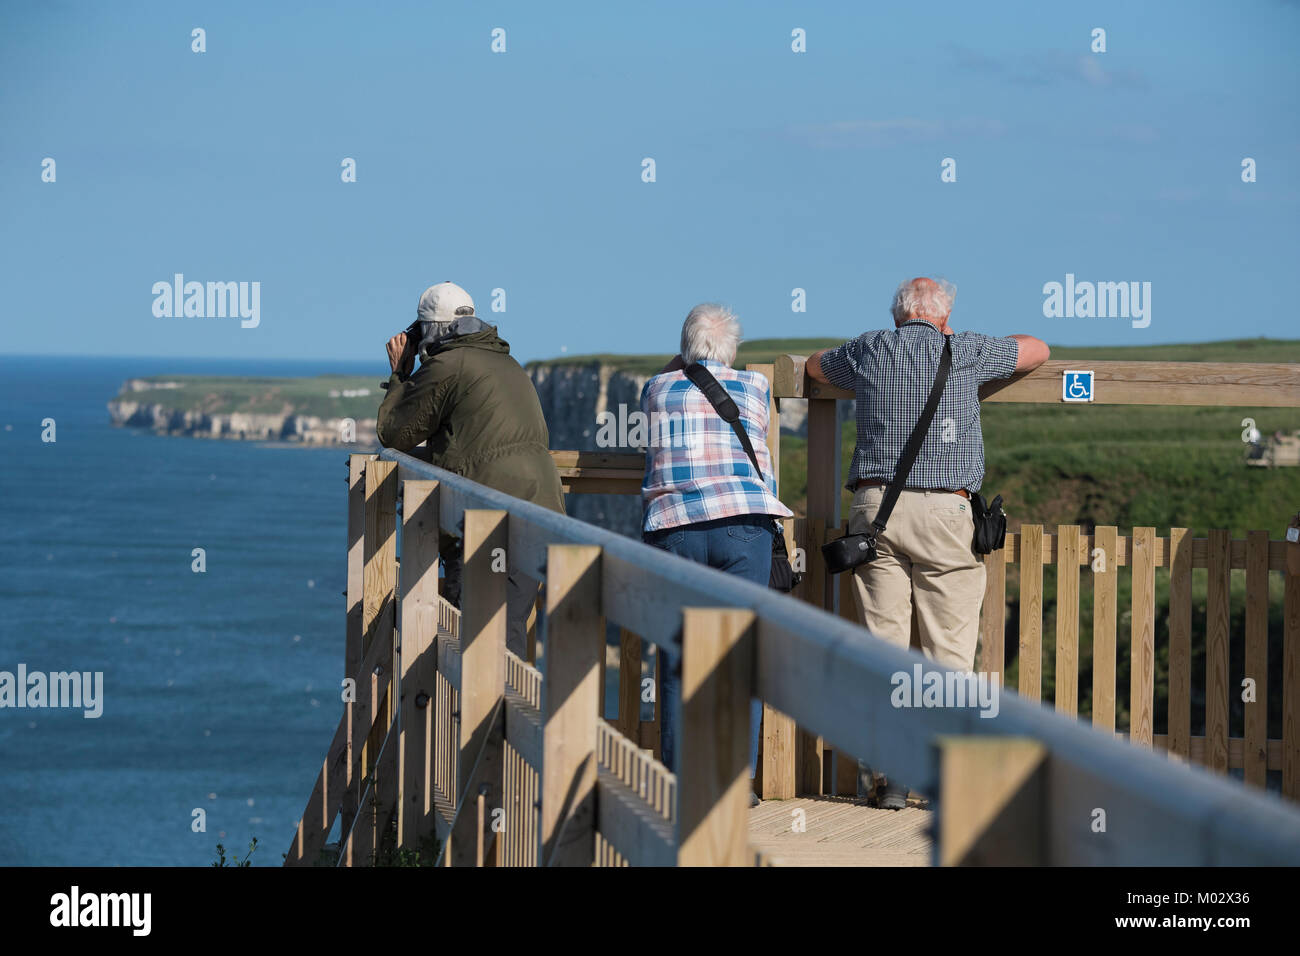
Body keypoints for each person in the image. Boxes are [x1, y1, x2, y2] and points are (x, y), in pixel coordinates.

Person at [806, 277, 1049, 808]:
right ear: (943, 317)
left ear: (898, 316)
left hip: (876, 514)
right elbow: (1037, 349)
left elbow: (814, 367)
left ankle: (889, 778)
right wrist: (953, 337)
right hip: (945, 510)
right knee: (949, 654)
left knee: (884, 649)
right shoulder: (963, 349)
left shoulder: (870, 347)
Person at [640, 303, 793, 804]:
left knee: (679, 653)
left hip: (676, 528)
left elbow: (671, 371)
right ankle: (734, 781)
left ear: (685, 350)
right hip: (741, 527)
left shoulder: (658, 390)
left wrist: (684, 358)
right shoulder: (754, 387)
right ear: (733, 351)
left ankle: (680, 780)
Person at [376, 281, 565, 657]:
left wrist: (401, 372)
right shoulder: (506, 362)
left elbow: (393, 432)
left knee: (475, 640)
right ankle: (503, 715)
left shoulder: (449, 363)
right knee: (506, 636)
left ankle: (481, 715)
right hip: (541, 512)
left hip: (486, 522)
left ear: (429, 330)